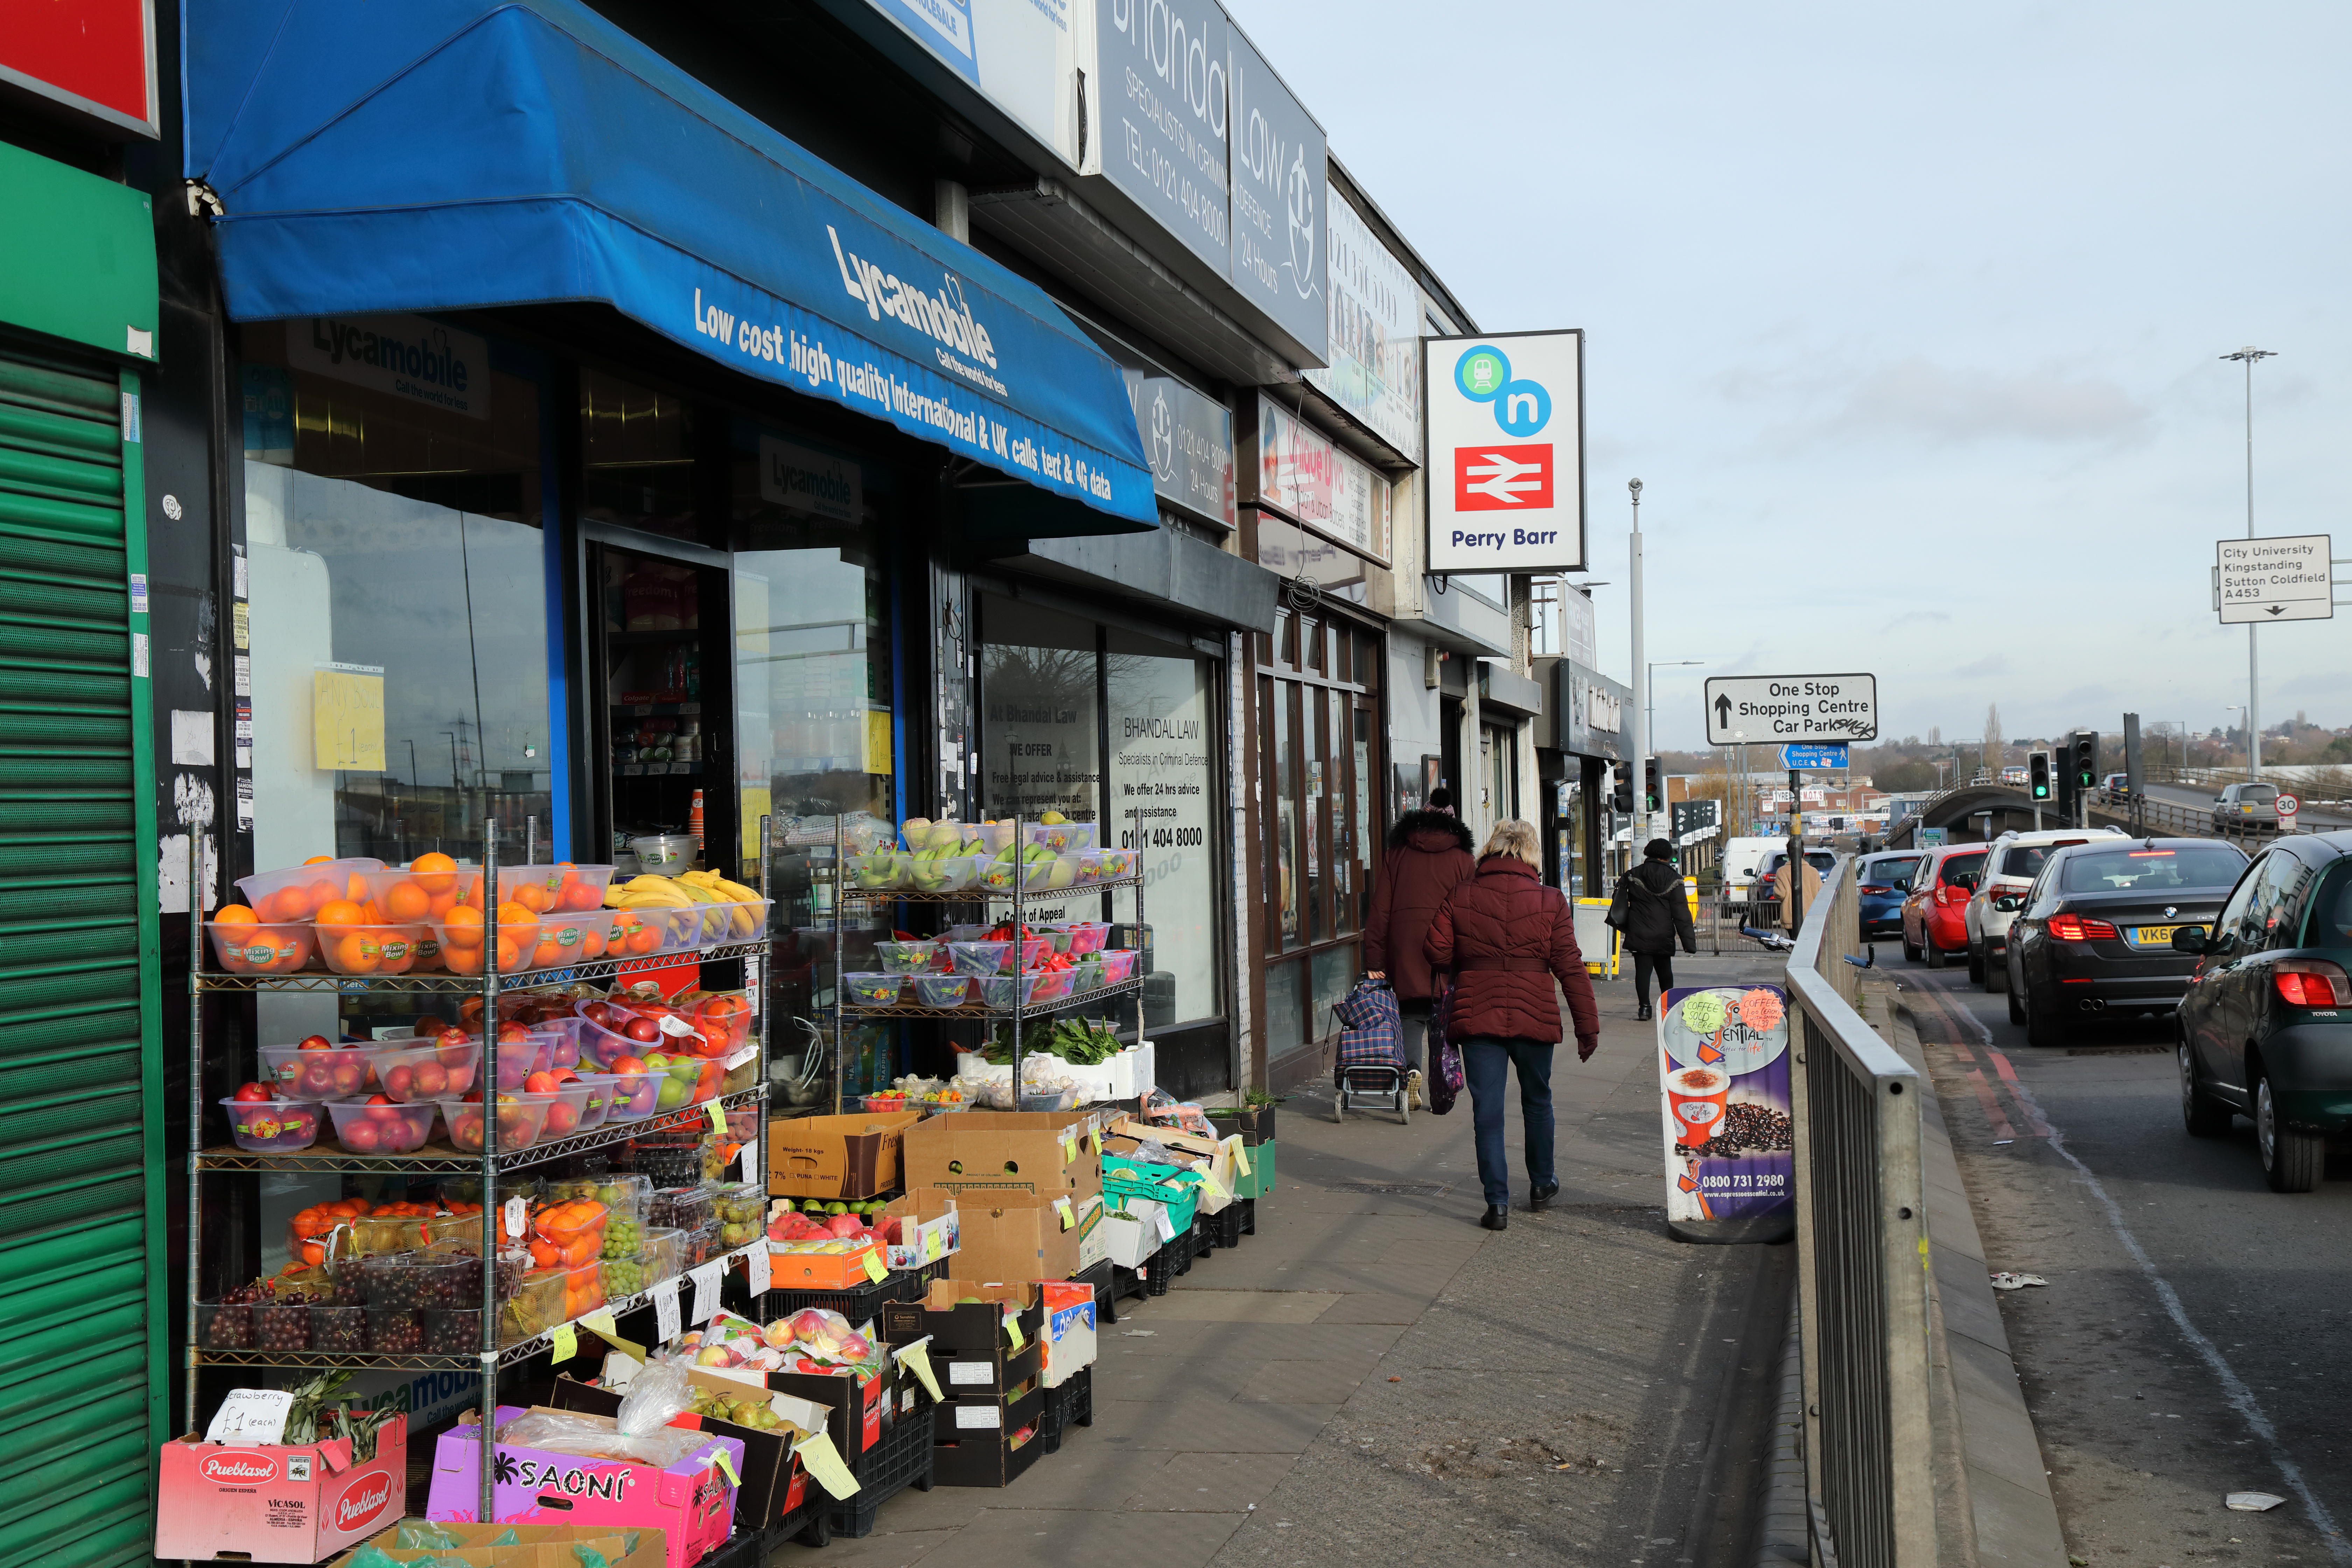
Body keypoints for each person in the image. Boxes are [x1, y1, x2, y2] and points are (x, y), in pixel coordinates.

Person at [1424, 819, 1602, 1231]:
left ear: (1491, 850)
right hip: (1534, 1013)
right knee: (1538, 1099)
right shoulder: (1551, 900)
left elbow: (1435, 949)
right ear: (1532, 854)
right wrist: (1587, 1027)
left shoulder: (1462, 894)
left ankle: (1497, 1204)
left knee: (1487, 1109)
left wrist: (1465, 957)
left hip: (1477, 1013)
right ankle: (1542, 1183)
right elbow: (1570, 967)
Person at [1363, 787, 1475, 1107]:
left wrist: (1374, 957)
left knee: (1410, 1016)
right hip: (1446, 948)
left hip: (1405, 949)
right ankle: (1441, 1086)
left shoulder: (1398, 854)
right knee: (1443, 1019)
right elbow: (1471, 911)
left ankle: (1411, 1070)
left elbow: (1380, 909)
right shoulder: (1464, 859)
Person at [1610, 838, 1698, 1021]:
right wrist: (1689, 943)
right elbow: (1681, 913)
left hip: (1639, 932)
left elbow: (1620, 900)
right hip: (1663, 934)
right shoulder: (1675, 879)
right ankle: (1669, 1009)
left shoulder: (1633, 875)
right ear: (1667, 856)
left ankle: (1644, 1009)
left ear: (1648, 854)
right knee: (1665, 972)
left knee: (1643, 973)